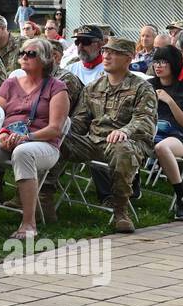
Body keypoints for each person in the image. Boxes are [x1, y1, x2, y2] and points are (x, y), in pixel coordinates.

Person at [57, 37, 157, 233]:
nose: (107, 56)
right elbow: (80, 120)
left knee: (123, 150)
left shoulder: (142, 88)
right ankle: (44, 197)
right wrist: (61, 131)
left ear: (128, 58)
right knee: (56, 139)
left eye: (114, 53)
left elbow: (144, 120)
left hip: (127, 142)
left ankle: (120, 210)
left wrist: (124, 131)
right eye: (105, 52)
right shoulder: (93, 87)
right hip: (93, 142)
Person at [0, 37, 68, 240]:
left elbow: (55, 129)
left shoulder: (57, 87)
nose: (24, 57)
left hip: (42, 143)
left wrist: (26, 137)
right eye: (22, 53)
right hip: (7, 138)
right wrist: (0, 134)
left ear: (44, 59)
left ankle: (29, 224)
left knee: (22, 152)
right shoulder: (10, 84)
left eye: (31, 53)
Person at [147, 44, 183, 221]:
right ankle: (132, 186)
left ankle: (181, 198)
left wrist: (169, 101)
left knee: (161, 148)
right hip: (148, 132)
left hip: (175, 137)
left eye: (163, 62)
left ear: (174, 64)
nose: (158, 66)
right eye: (156, 62)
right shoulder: (148, 85)